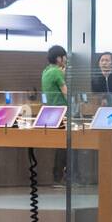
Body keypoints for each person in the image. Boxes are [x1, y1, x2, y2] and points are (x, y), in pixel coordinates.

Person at [42, 45, 69, 183]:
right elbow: (65, 92)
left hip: (51, 111)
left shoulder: (46, 71)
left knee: (60, 145)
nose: (65, 59)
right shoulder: (57, 72)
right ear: (59, 58)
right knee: (65, 145)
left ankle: (57, 175)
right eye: (64, 57)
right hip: (62, 111)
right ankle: (61, 176)